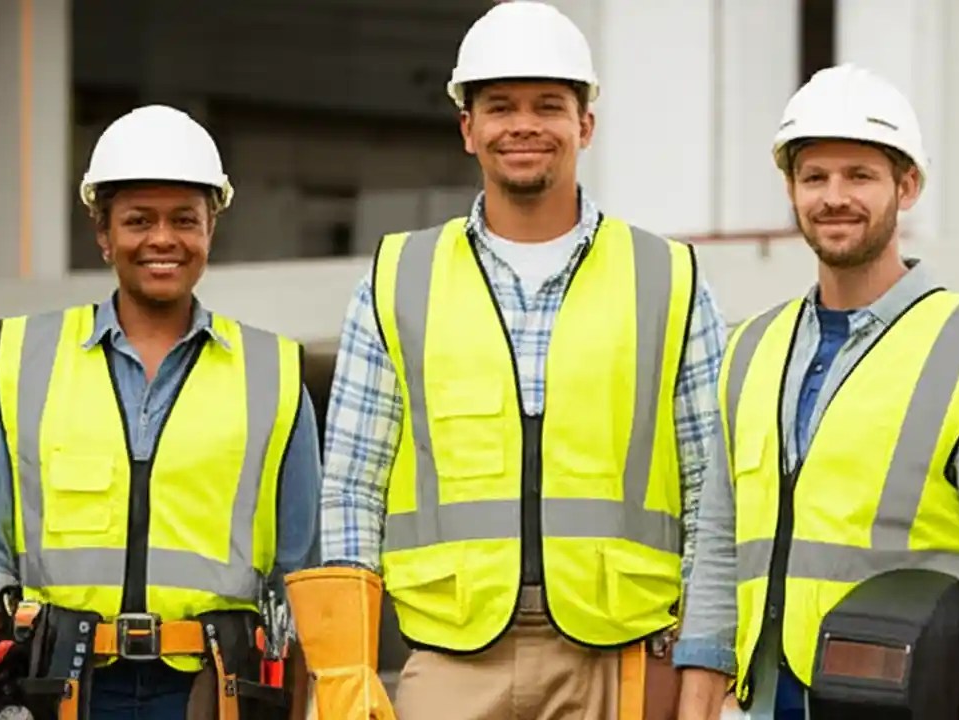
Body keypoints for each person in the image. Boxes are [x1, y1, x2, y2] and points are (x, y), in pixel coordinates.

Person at [283, 2, 727, 718]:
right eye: (500, 106)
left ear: (585, 124)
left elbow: (714, 493)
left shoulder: (668, 278)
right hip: (452, 655)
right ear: (469, 128)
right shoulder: (401, 276)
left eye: (548, 105)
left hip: (623, 651)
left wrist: (704, 650)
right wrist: (347, 666)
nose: (523, 124)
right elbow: (352, 487)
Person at [673, 64, 959, 720]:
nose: (834, 197)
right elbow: (717, 547)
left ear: (906, 186)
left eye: (859, 176)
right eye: (814, 176)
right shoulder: (750, 349)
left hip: (905, 701)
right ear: (792, 189)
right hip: (771, 702)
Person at [0, 104, 321, 720]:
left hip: (214, 691)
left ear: (210, 230)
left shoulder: (273, 375)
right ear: (103, 233)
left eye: (184, 219)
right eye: (138, 220)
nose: (162, 239)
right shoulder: (25, 362)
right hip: (58, 688)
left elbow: (301, 577)